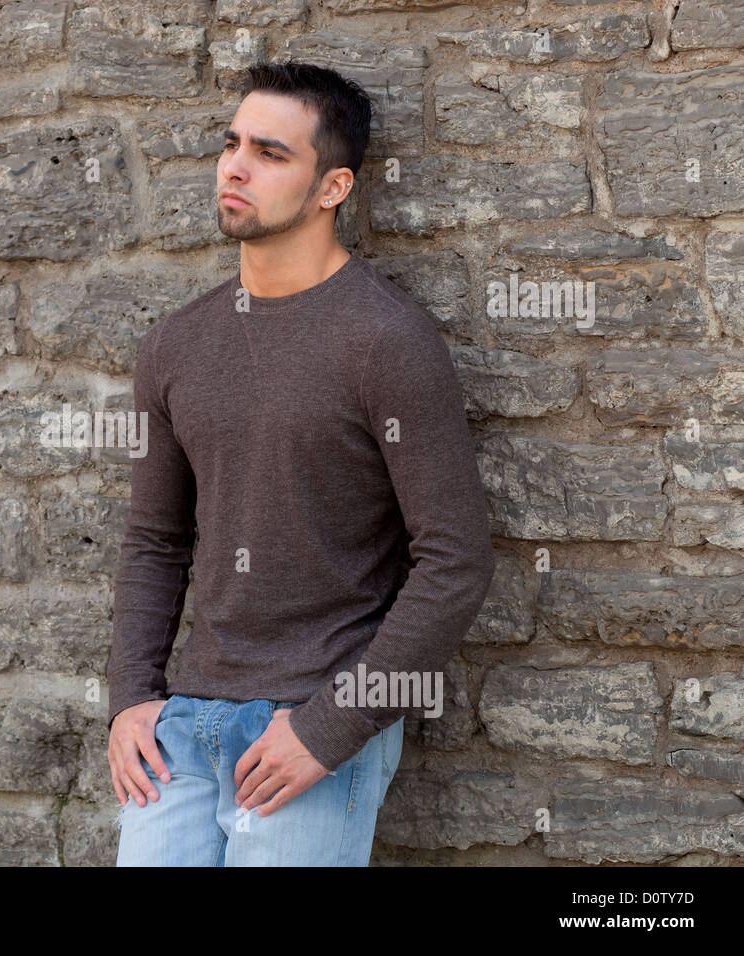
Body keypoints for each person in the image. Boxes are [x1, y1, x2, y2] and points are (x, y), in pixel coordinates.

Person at [105, 60, 497, 866]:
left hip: (312, 728)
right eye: (231, 143)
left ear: (332, 187)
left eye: (271, 153)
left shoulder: (386, 340)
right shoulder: (176, 344)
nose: (235, 166)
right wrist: (131, 698)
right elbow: (153, 538)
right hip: (181, 730)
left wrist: (330, 727)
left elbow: (455, 563)